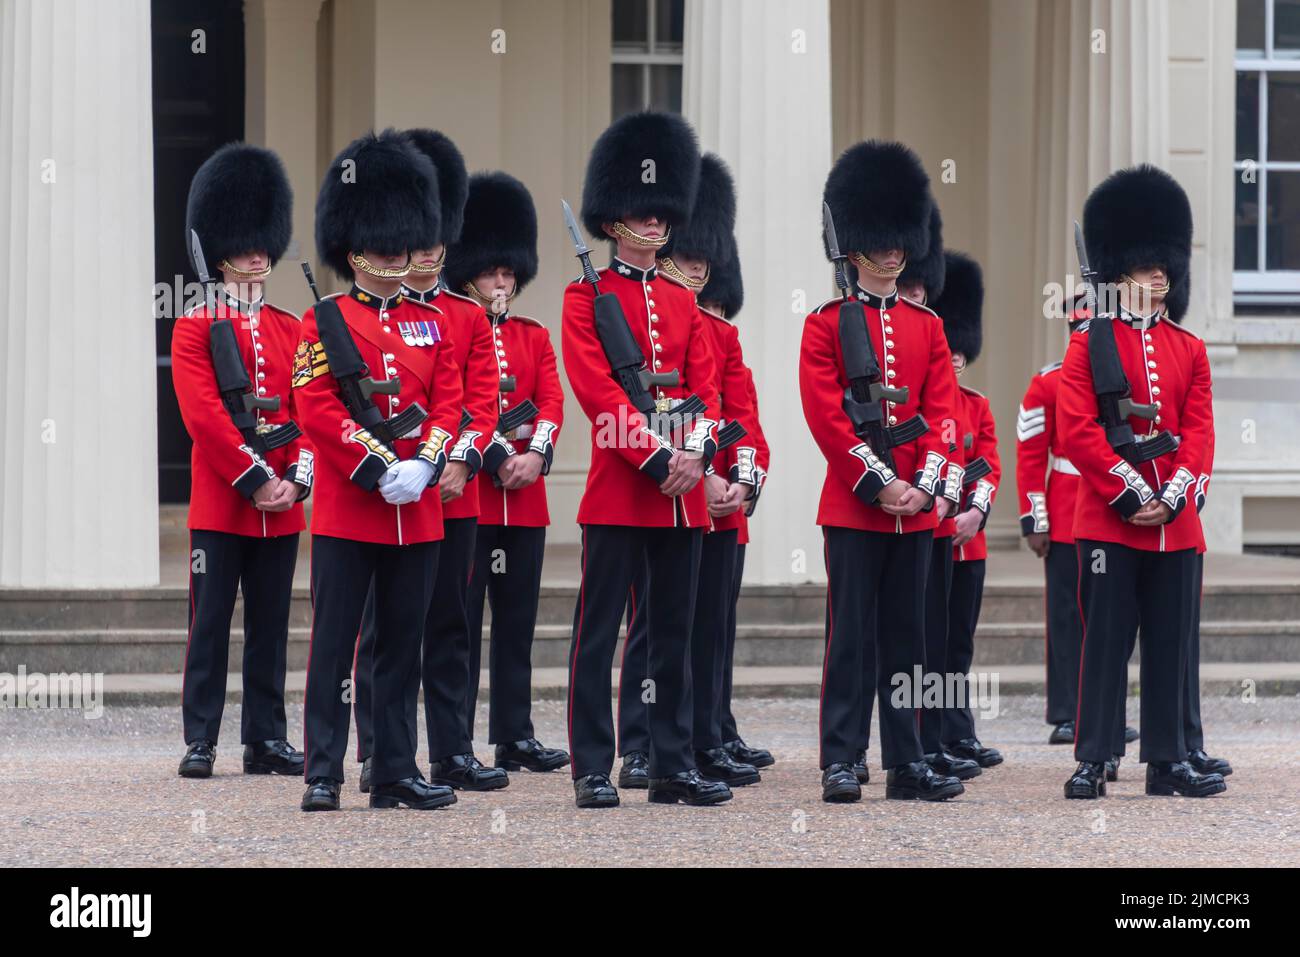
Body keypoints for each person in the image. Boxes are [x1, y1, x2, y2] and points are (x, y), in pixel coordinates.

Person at [294, 129, 464, 811]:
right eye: (385, 240)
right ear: (355, 244)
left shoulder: (432, 322)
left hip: (417, 510)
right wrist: (375, 466)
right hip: (350, 508)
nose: (398, 252)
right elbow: (313, 404)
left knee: (401, 646)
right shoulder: (324, 320)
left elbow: (449, 400)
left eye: (405, 239)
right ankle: (322, 770)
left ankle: (393, 767)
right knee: (334, 647)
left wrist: (426, 463)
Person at [562, 110, 728, 808]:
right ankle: (593, 765)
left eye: (663, 211)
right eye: (642, 210)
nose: (657, 222)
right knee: (599, 635)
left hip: (682, 493)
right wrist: (661, 459)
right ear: (612, 219)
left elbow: (707, 387)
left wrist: (695, 452)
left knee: (670, 636)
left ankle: (670, 761)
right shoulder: (583, 299)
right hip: (622, 490)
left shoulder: (682, 302)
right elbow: (599, 395)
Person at [800, 140, 964, 803]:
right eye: (882, 240)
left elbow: (945, 416)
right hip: (854, 505)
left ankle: (908, 758)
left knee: (910, 638)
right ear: (855, 242)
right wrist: (880, 482)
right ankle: (841, 757)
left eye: (901, 240)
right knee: (852, 639)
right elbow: (826, 418)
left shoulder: (927, 326)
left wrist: (924, 484)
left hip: (916, 504)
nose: (894, 252)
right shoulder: (825, 324)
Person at [1059, 165, 1225, 799]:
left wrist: (1175, 494)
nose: (1160, 271)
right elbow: (1077, 431)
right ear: (1118, 266)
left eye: (1165, 261)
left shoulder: (1190, 349)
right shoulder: (1087, 345)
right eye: (1146, 261)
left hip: (1176, 527)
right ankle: (1094, 754)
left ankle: (1166, 759)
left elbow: (1201, 434)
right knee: (1104, 645)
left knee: (1168, 646)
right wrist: (1131, 494)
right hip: (1110, 520)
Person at [351, 128, 507, 795]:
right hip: (392, 493)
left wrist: (462, 460)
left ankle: (452, 750)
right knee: (383, 630)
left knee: (450, 626)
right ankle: (377, 753)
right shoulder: (373, 312)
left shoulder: (467, 315)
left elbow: (481, 399)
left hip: (456, 493)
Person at [618, 155, 764, 789]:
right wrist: (694, 469)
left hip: (718, 498)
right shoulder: (652, 314)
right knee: (651, 624)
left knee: (707, 629)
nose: (701, 268)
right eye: (692, 256)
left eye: (708, 259)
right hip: (669, 487)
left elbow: (744, 415)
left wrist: (743, 480)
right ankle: (639, 744)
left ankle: (705, 733)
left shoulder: (721, 335)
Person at [173, 143, 309, 779]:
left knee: (271, 628)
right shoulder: (195, 325)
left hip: (279, 507)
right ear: (222, 249)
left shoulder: (293, 327)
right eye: (245, 242)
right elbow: (203, 415)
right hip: (223, 504)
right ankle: (200, 737)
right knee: (210, 628)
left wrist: (294, 480)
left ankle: (266, 738)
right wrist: (256, 479)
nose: (257, 253)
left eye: (263, 241)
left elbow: (310, 411)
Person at [448, 171, 571, 774]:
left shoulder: (534, 336)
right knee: (465, 626)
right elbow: (461, 405)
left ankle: (515, 734)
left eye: (508, 272)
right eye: (492, 271)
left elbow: (552, 402)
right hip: (474, 498)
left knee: (517, 625)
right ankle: (459, 741)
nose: (502, 281)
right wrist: (498, 457)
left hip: (525, 504)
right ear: (469, 271)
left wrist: (535, 457)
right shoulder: (452, 329)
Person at [896, 207, 980, 783]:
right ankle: (883, 751)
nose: (917, 293)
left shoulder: (952, 373)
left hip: (941, 520)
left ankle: (938, 737)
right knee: (903, 641)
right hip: (895, 509)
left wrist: (947, 496)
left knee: (940, 643)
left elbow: (952, 438)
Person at [929, 252, 1003, 766]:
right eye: (948, 345)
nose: (956, 354)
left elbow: (989, 464)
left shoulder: (976, 404)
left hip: (968, 541)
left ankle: (958, 731)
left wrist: (974, 513)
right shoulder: (925, 403)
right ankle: (932, 736)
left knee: (959, 645)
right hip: (932, 534)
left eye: (962, 347)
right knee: (929, 643)